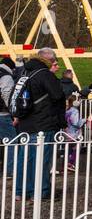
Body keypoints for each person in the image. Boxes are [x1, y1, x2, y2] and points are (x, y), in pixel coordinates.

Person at [11, 48, 66, 199]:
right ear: (49, 60)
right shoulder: (44, 74)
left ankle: (21, 191)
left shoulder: (24, 73)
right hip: (43, 122)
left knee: (25, 159)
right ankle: (40, 191)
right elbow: (57, 96)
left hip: (25, 122)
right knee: (42, 159)